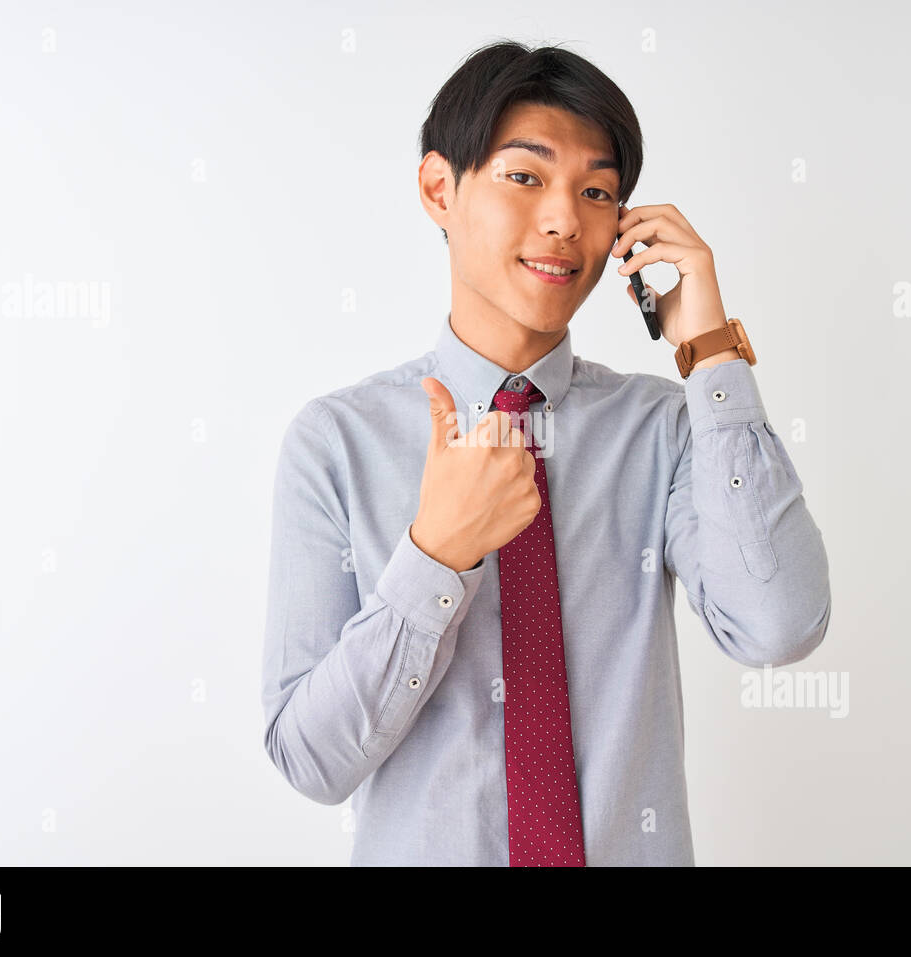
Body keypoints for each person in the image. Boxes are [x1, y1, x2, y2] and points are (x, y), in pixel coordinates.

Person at [261, 40, 831, 866]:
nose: (566, 219)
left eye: (597, 191)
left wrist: (710, 349)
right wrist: (437, 555)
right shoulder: (335, 441)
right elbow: (310, 760)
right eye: (525, 177)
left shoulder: (666, 429)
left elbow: (777, 626)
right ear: (438, 189)